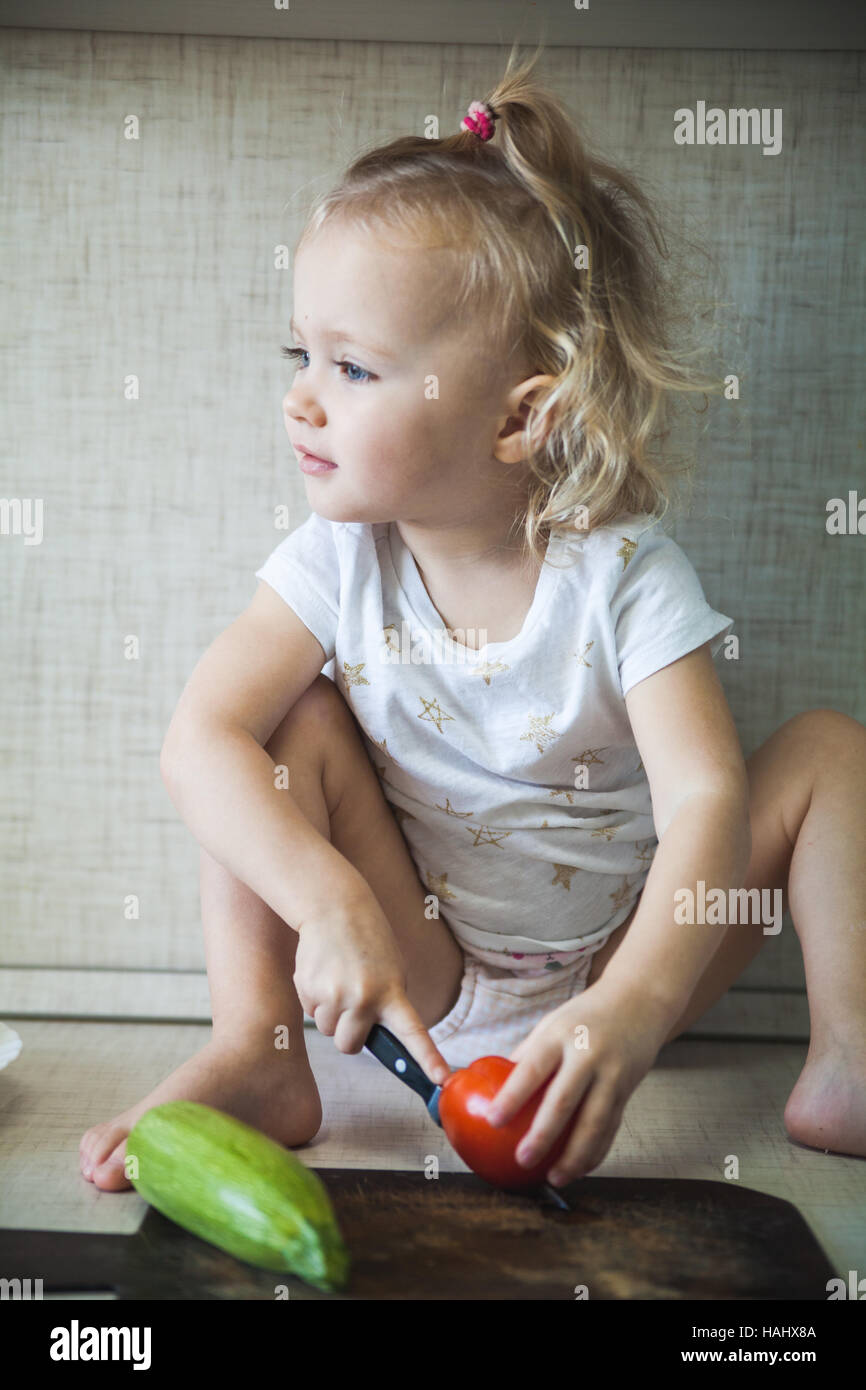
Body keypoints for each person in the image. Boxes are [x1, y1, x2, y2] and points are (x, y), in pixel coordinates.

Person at [81, 47, 866, 1192]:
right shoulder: (332, 565)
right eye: (301, 353)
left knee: (830, 754)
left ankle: (846, 1053)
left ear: (516, 419)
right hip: (424, 960)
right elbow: (195, 744)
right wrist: (332, 902)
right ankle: (259, 1053)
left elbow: (705, 799)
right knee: (278, 722)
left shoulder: (622, 578)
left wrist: (635, 1005)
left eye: (351, 367)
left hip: (624, 963)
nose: (299, 394)